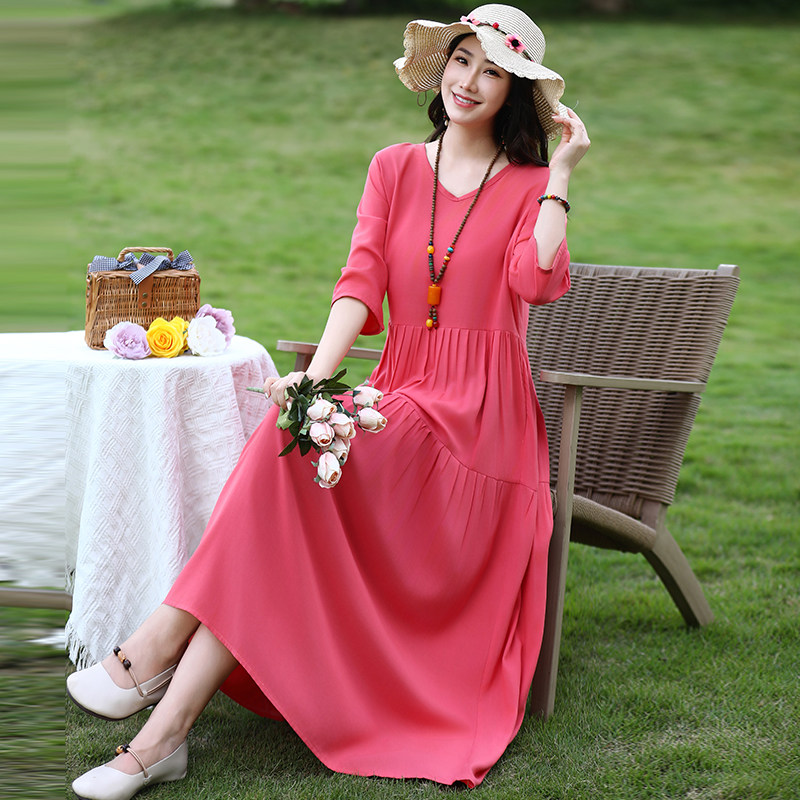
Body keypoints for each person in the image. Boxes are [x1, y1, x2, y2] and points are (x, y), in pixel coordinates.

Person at [67, 5, 590, 797]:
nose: (469, 82)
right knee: (294, 445)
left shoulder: (526, 186)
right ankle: (160, 733)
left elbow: (537, 281)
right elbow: (360, 282)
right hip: (400, 395)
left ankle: (154, 658)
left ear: (514, 94)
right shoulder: (393, 167)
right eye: (461, 60)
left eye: (492, 72)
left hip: (481, 423)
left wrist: (560, 177)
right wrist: (316, 376)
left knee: (297, 458)